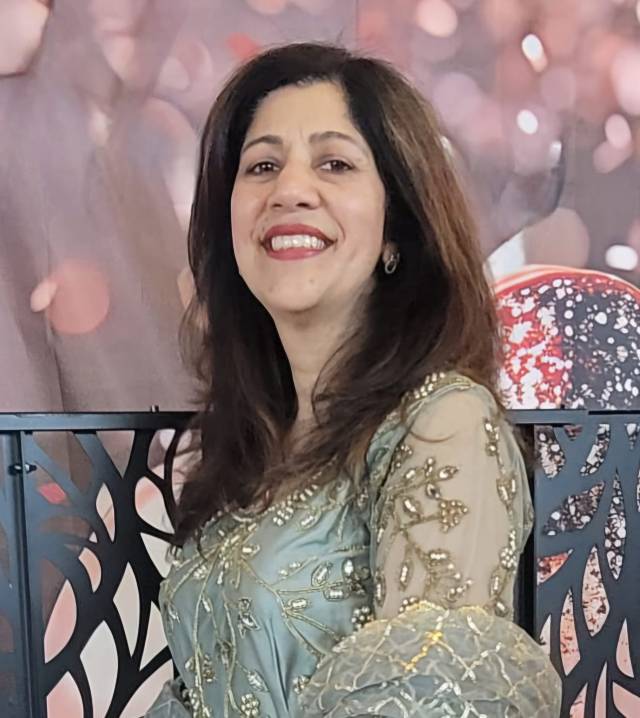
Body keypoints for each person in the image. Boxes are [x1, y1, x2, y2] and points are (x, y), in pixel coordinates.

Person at [146, 42, 561, 717]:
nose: (289, 190)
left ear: (398, 226)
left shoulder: (441, 424)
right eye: (262, 165)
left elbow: (434, 700)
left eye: (335, 163)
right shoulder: (249, 447)